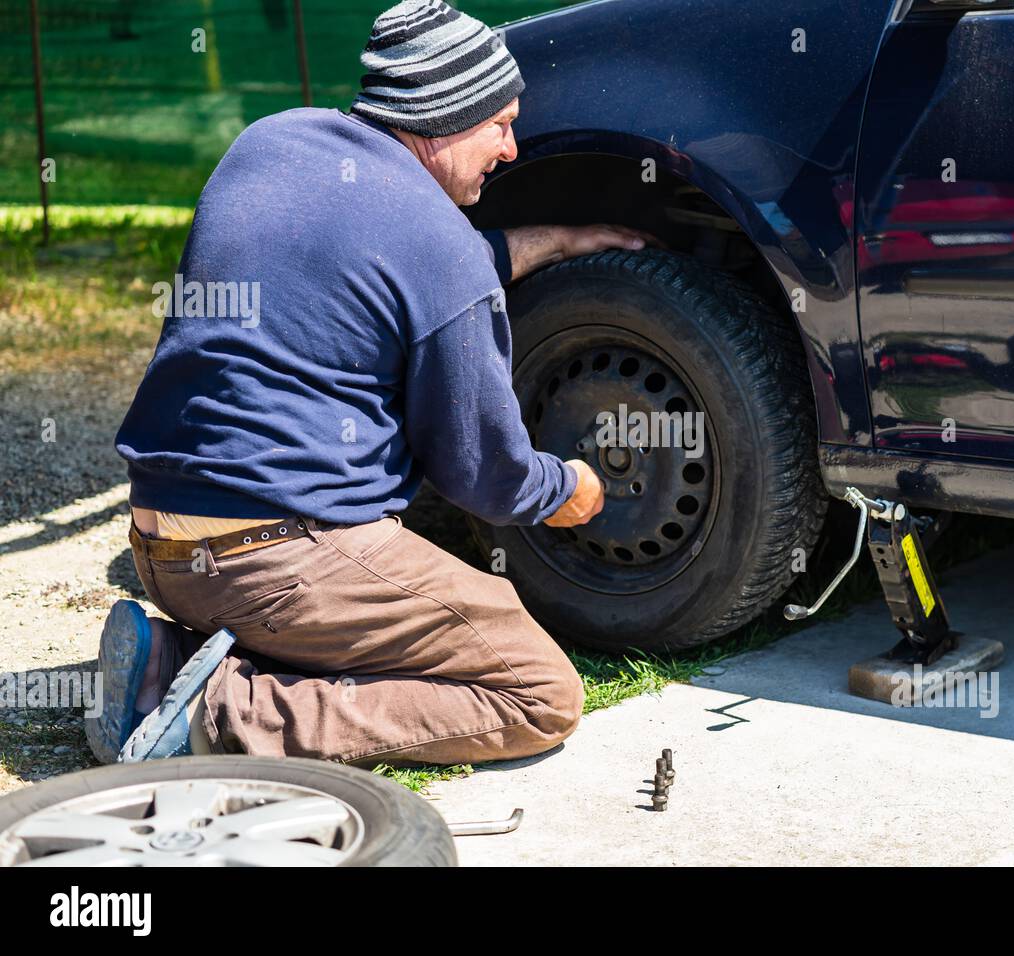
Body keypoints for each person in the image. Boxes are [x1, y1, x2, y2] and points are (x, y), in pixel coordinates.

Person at [87, 0, 653, 768]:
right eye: (500, 124)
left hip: (162, 543)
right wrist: (569, 489)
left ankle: (167, 652)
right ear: (445, 116)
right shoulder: (439, 248)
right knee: (537, 692)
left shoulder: (272, 142)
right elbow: (483, 475)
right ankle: (218, 712)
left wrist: (546, 243)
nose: (513, 149)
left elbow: (371, 261)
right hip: (275, 561)